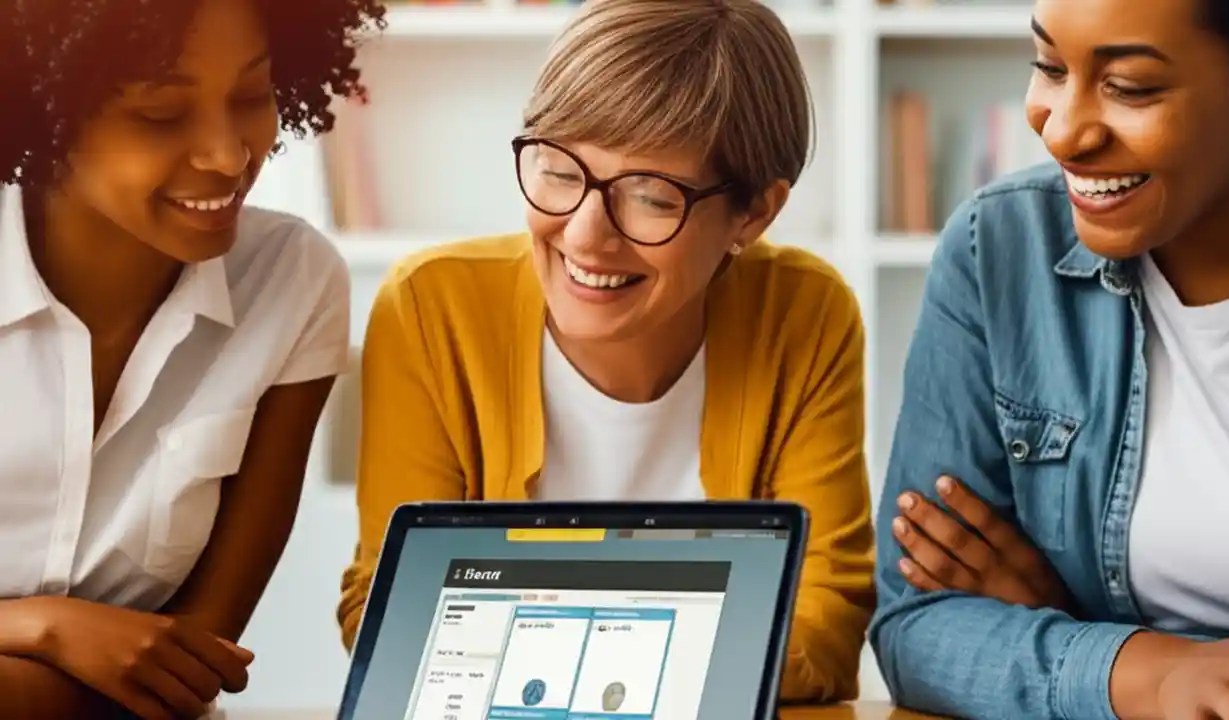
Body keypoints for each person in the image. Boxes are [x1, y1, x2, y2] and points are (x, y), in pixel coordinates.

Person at [338, 0, 875, 703]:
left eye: (650, 197)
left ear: (753, 213)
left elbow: (826, 624)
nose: (586, 236)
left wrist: (514, 630)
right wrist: (702, 642)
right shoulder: (430, 308)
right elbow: (388, 613)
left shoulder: (805, 315)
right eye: (560, 171)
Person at [870, 0, 1229, 717]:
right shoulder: (998, 247)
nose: (1061, 130)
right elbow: (916, 627)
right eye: (1049, 68)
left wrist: (1062, 623)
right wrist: (1145, 671)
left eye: (1129, 87)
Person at [0, 0, 384, 717]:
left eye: (250, 97)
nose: (228, 155)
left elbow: (198, 657)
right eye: (160, 116)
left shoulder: (289, 278)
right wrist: (46, 626)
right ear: (42, 106)